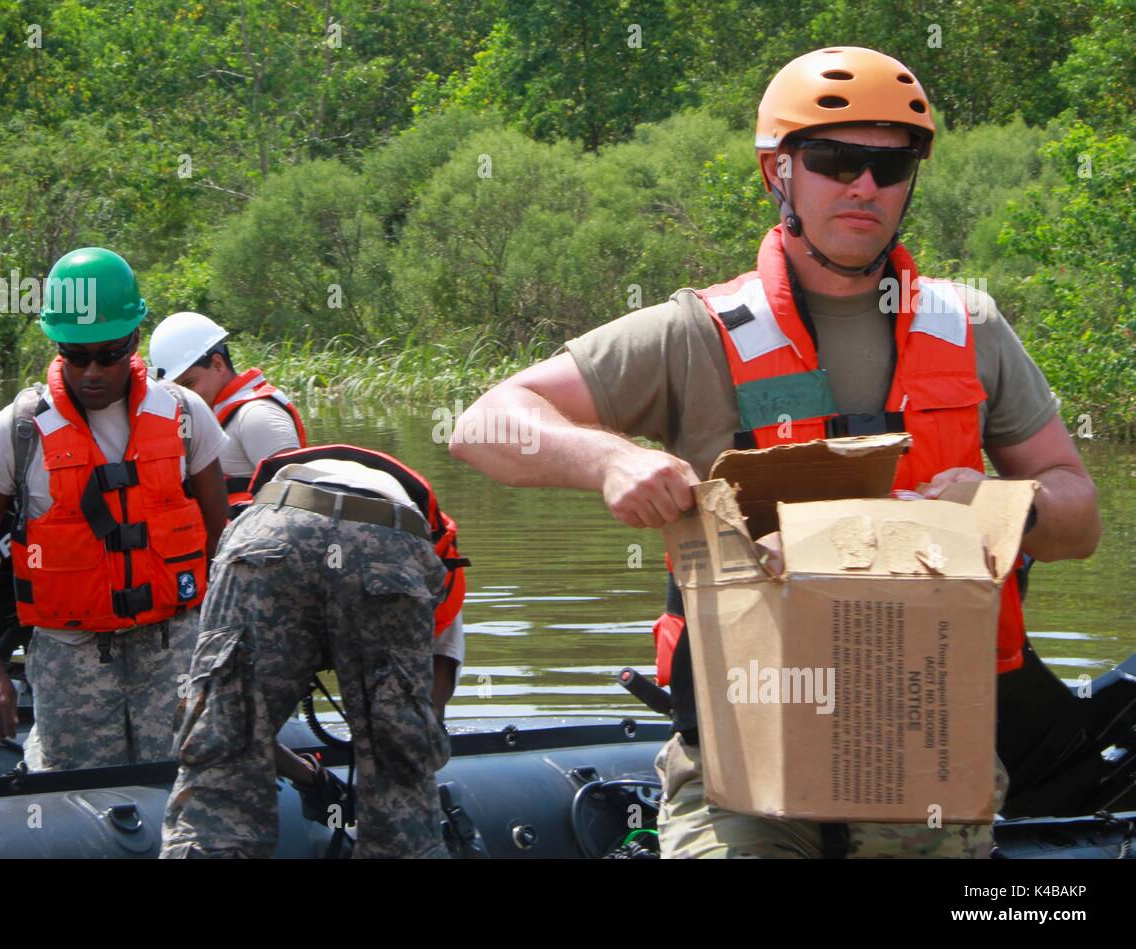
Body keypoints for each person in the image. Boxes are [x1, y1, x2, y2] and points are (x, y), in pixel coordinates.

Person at [449, 47, 1102, 858]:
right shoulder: (695, 333)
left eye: (890, 165)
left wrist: (1010, 504)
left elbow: (1079, 514)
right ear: (779, 171)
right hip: (740, 762)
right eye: (834, 160)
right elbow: (484, 423)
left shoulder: (972, 328)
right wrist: (607, 462)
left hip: (927, 753)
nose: (864, 185)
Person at [0, 247, 231, 770]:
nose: (92, 372)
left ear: (135, 342)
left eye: (108, 354)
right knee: (74, 803)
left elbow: (221, 538)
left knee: (184, 790)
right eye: (76, 356)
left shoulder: (187, 416)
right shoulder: (19, 431)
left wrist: (225, 645)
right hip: (70, 656)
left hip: (172, 646)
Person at [160, 444, 469, 859]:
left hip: (273, 526)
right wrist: (404, 742)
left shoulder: (263, 496)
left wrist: (307, 777)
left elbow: (229, 725)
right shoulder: (439, 549)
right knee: (401, 767)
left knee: (223, 748)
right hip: (386, 541)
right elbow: (421, 723)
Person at [148, 311, 307, 510]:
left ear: (218, 364)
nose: (183, 397)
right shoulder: (201, 414)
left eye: (189, 384)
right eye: (176, 389)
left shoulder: (257, 415)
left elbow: (296, 501)